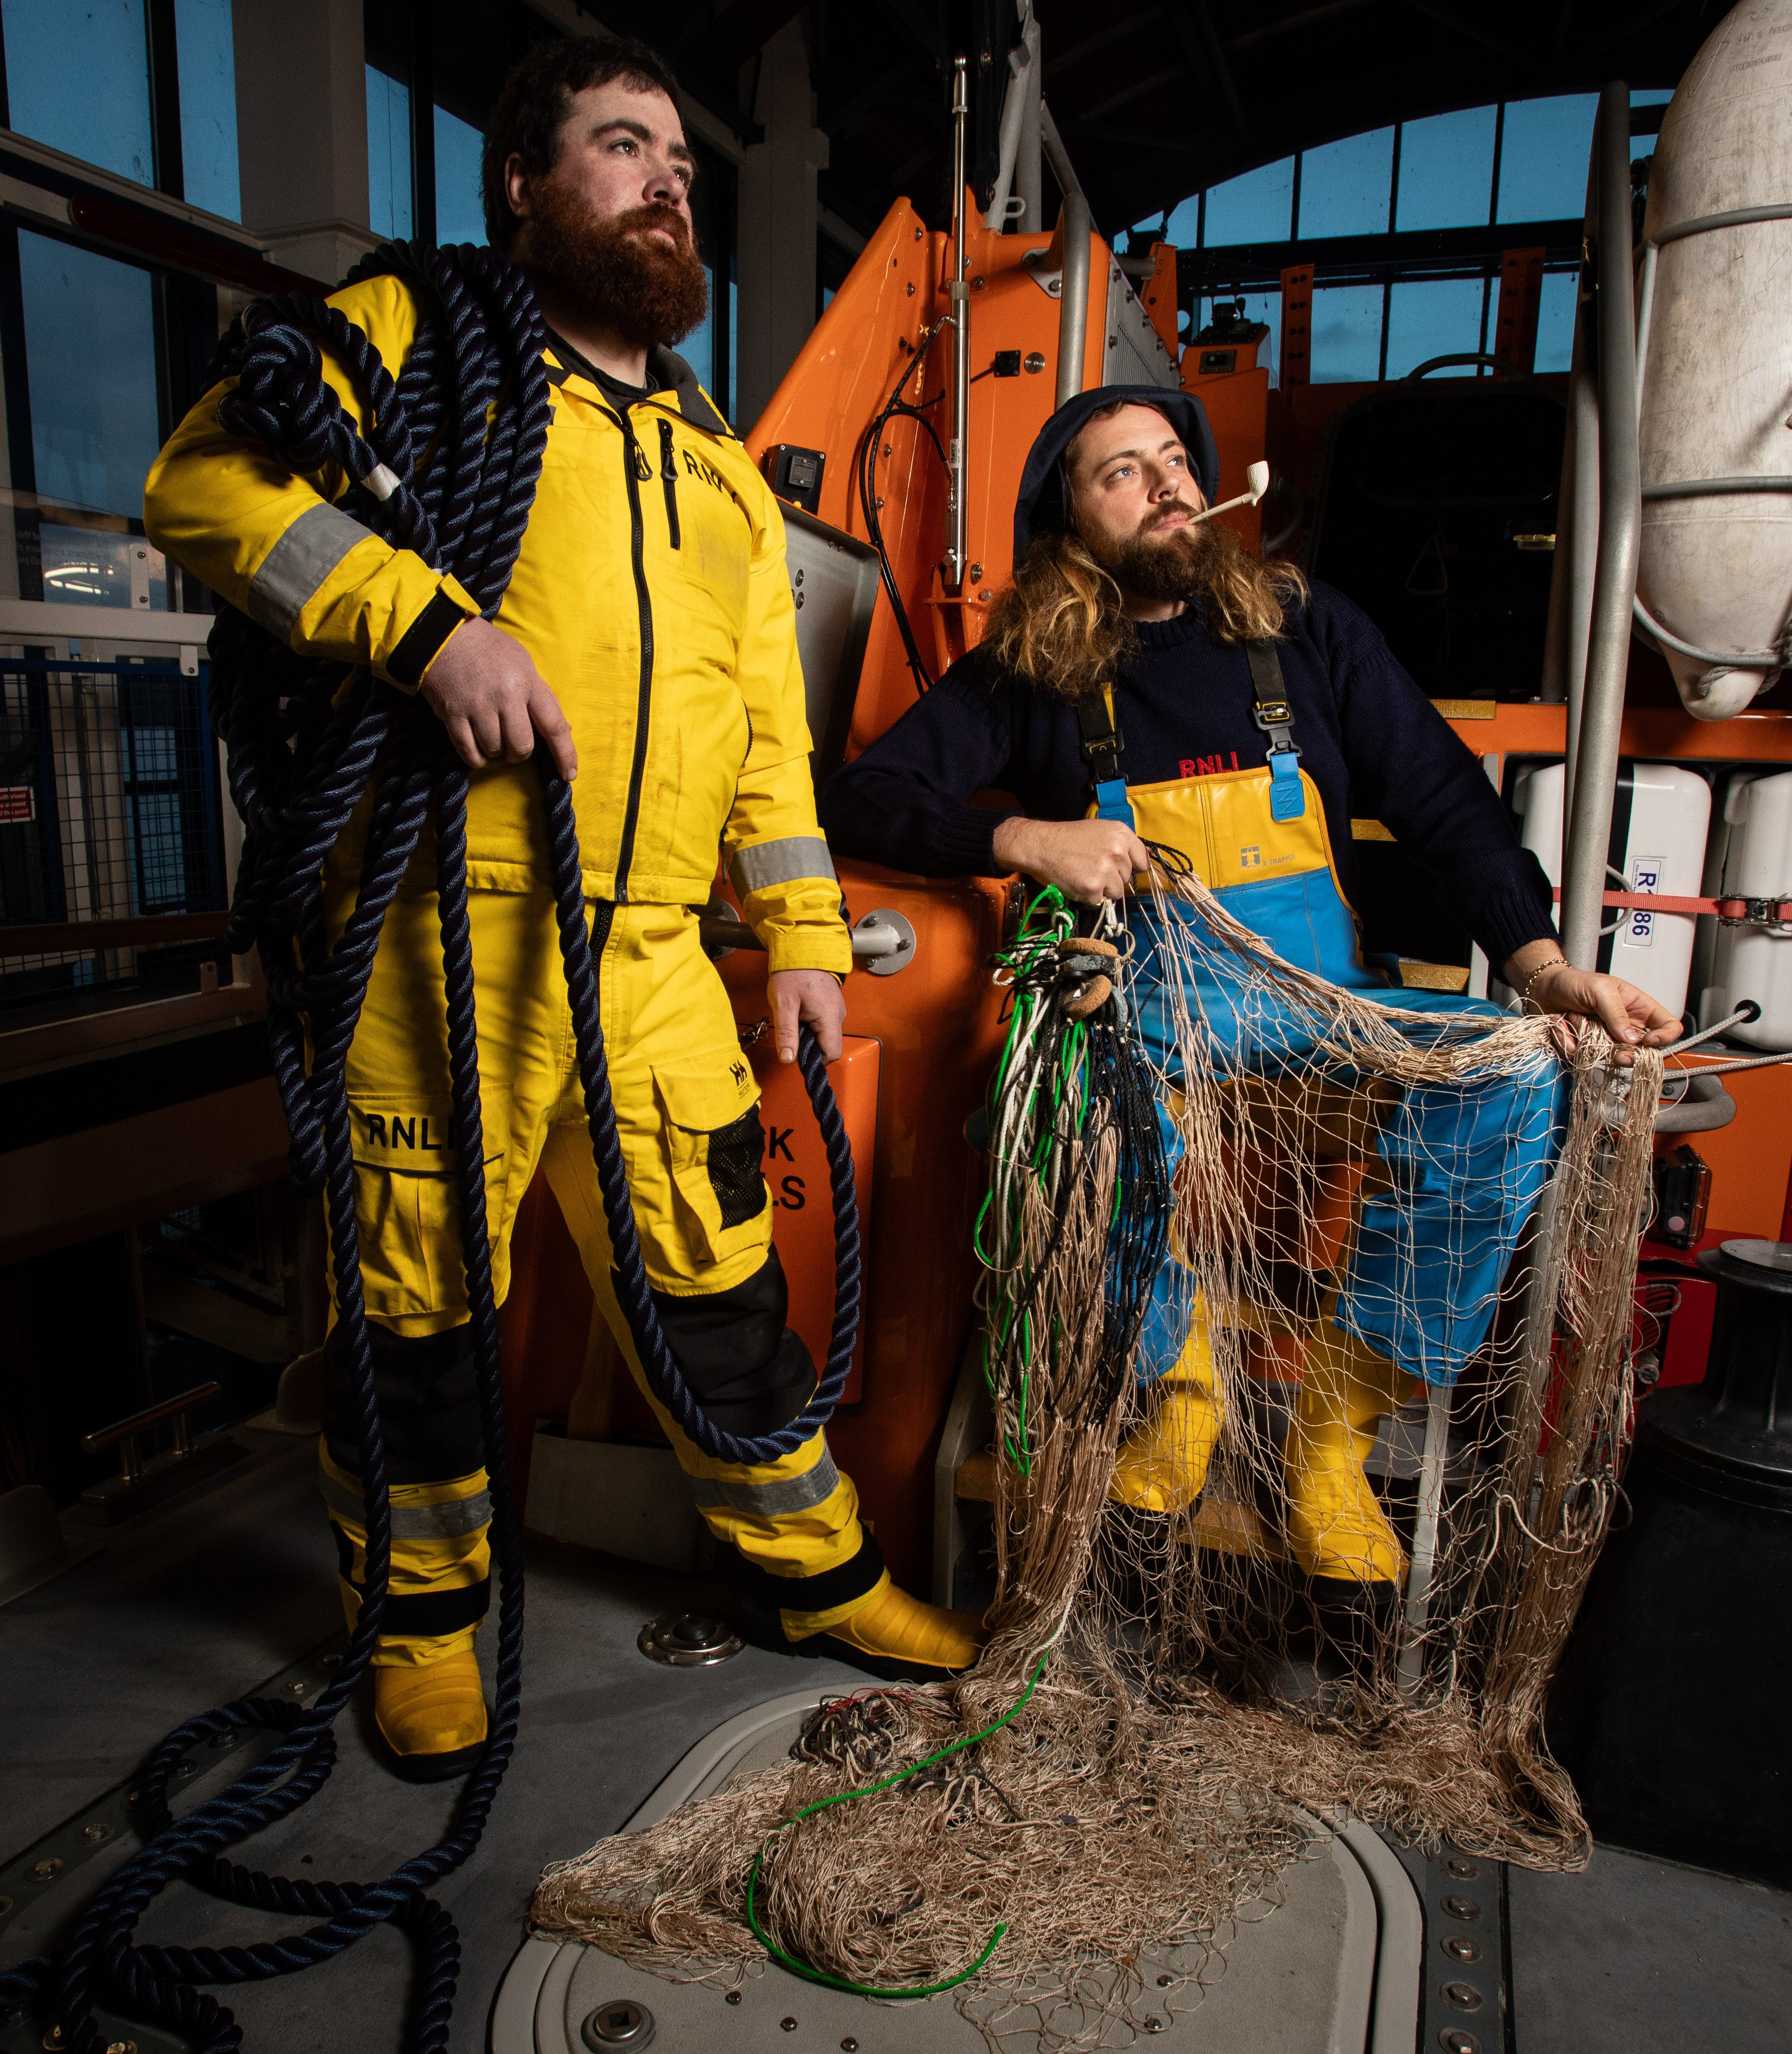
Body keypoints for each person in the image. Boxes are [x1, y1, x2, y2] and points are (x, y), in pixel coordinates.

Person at [145, 35, 982, 1780]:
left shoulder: (718, 468)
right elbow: (204, 486)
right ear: (524, 183)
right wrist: (425, 630)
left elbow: (765, 736)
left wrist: (801, 936)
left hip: (657, 954)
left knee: (720, 1287)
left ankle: (816, 1576)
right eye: (620, 145)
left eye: (678, 157)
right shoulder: (412, 342)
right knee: (414, 1308)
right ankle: (420, 1623)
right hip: (439, 931)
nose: (666, 177)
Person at [819, 385, 1678, 1649]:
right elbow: (863, 795)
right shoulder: (1032, 671)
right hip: (1154, 1016)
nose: (1167, 484)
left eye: (1175, 459)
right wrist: (1022, 837)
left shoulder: (1305, 630)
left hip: (1328, 1010)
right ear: (1068, 521)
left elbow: (1447, 804)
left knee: (1511, 1072)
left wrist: (1549, 974)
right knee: (1058, 1086)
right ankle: (1179, 1398)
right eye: (1122, 471)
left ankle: (1333, 1434)